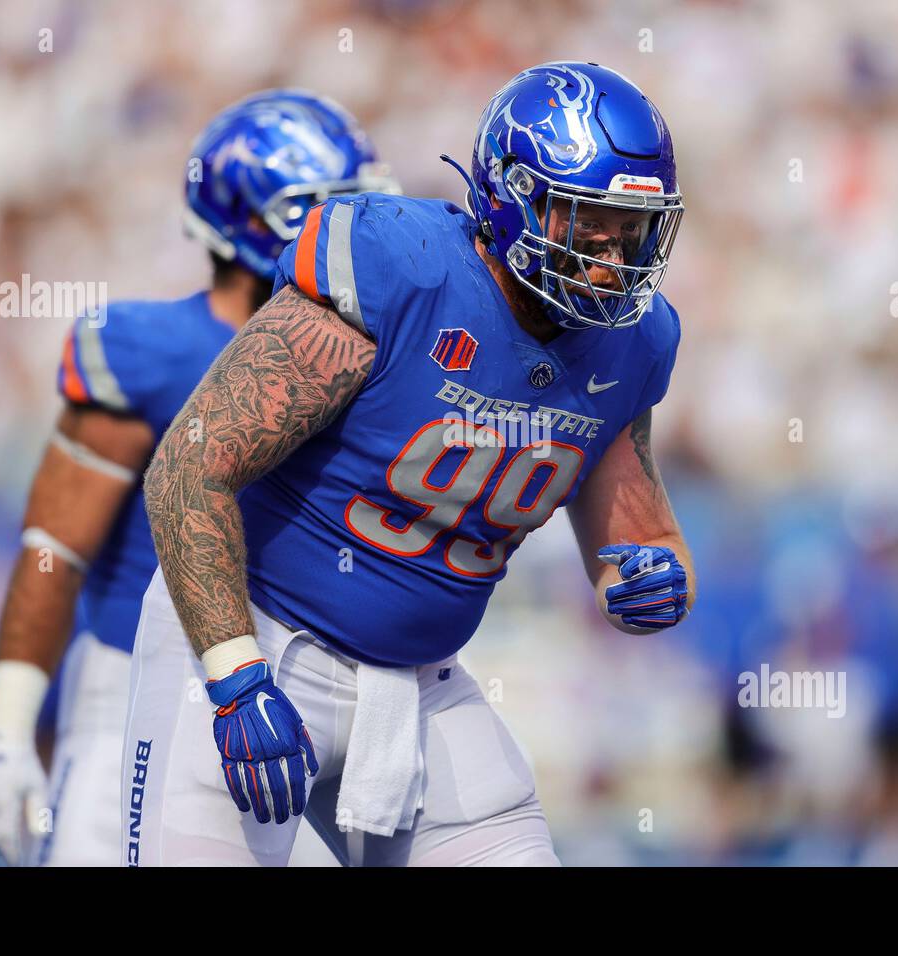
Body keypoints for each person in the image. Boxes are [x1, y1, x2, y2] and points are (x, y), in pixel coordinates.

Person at [130, 61, 694, 867]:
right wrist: (235, 679)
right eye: (586, 223)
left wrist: (653, 580)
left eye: (630, 228)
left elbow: (640, 543)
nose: (612, 258)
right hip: (255, 644)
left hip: (420, 688)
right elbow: (189, 467)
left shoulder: (632, 344)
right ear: (513, 198)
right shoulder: (404, 273)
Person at [0, 90, 394, 866]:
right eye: (333, 210)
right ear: (255, 222)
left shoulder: (377, 354)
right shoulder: (153, 349)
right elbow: (54, 548)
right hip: (138, 692)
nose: (363, 233)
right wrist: (5, 729)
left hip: (301, 707)